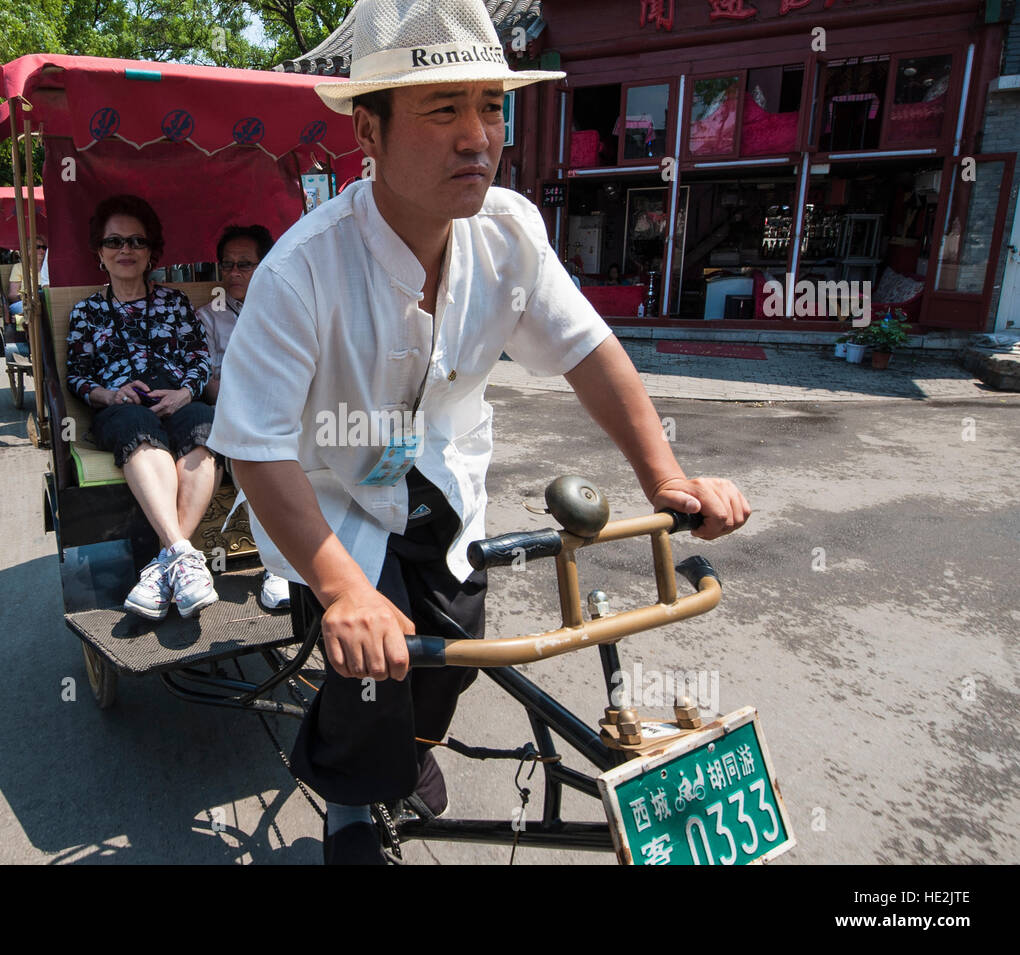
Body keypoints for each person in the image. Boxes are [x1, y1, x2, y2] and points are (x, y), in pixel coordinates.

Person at [208, 0, 750, 864]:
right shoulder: (300, 272)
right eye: (443, 109)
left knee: (454, 648)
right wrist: (343, 589)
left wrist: (666, 476)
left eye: (491, 107)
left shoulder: (510, 231)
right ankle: (348, 802)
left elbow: (588, 348)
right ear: (369, 134)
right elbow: (254, 445)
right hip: (333, 496)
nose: (478, 136)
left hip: (444, 478)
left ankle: (411, 752)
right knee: (372, 658)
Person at [66, 194, 222, 620]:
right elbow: (77, 376)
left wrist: (185, 393)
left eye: (136, 242)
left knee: (205, 426)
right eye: (114, 242)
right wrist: (110, 395)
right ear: (99, 252)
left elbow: (198, 358)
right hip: (122, 407)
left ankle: (164, 565)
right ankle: (181, 556)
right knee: (137, 425)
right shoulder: (88, 312)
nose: (126, 251)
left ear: (151, 251)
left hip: (177, 400)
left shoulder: (173, 303)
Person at [193, 224, 290, 611]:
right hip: (234, 417)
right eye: (227, 265)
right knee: (257, 455)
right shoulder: (207, 318)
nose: (233, 272)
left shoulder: (287, 310)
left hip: (287, 413)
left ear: (265, 265)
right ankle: (279, 565)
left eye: (244, 265)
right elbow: (207, 381)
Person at [8, 239, 47, 321]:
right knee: (35, 308)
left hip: (44, 302)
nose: (42, 250)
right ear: (28, 250)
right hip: (23, 303)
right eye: (37, 247)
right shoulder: (18, 267)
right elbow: (12, 295)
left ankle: (21, 319)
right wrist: (27, 296)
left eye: (44, 247)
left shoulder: (48, 268)